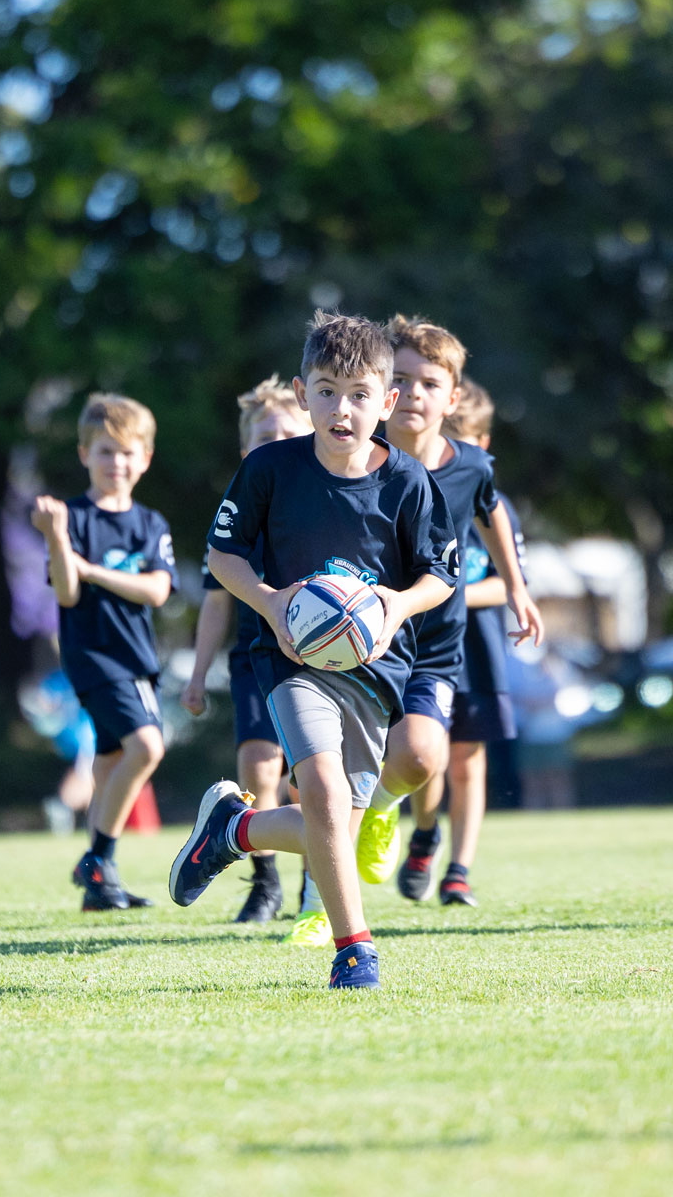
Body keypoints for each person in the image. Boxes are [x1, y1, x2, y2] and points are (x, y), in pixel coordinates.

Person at [169, 310, 459, 990]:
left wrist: (395, 604)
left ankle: (233, 830)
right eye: (326, 390)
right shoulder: (271, 468)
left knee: (333, 827)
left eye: (360, 394)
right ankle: (355, 950)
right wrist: (270, 602)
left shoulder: (407, 482)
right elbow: (222, 555)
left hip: (376, 668)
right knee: (324, 792)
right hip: (290, 659)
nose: (341, 408)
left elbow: (440, 577)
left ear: (386, 402)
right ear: (302, 395)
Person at [354, 316, 544, 890]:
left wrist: (516, 586)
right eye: (403, 380)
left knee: (421, 757)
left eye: (430, 384)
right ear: (385, 390)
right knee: (334, 767)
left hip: (436, 642)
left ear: (452, 397)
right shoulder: (356, 458)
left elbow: (494, 512)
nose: (414, 393)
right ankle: (317, 900)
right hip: (365, 637)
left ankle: (384, 812)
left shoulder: (471, 465)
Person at [184, 375, 332, 941]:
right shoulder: (236, 515)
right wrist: (197, 674)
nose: (275, 443)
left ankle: (311, 885)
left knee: (310, 776)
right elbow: (216, 604)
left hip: (319, 660)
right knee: (256, 763)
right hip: (254, 656)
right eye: (263, 436)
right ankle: (264, 878)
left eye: (286, 434)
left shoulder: (324, 503)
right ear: (247, 449)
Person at [31, 393, 179, 910]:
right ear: (84, 454)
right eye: (104, 452)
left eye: (126, 453)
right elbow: (68, 594)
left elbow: (158, 590)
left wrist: (92, 569)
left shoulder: (150, 524)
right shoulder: (70, 518)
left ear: (144, 459)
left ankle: (98, 884)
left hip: (137, 657)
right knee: (148, 747)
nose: (116, 463)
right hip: (92, 656)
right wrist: (55, 539)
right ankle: (99, 857)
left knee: (113, 760)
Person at [395, 378, 527, 906]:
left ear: (482, 445)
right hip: (423, 643)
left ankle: (459, 871)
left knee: (468, 756)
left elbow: (508, 582)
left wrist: (448, 591)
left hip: (477, 646)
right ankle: (425, 832)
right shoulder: (413, 492)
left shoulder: (492, 504)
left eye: (467, 436)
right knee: (431, 754)